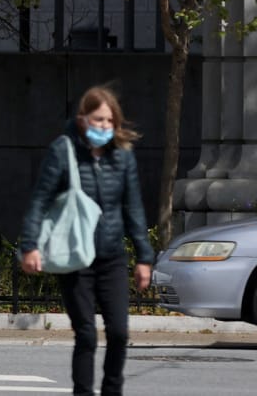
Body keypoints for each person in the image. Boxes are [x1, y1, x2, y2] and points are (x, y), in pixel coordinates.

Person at [18, 85, 154, 396]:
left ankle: (112, 391)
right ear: (82, 120)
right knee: (87, 334)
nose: (104, 126)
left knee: (119, 333)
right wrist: (30, 246)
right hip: (76, 257)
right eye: (98, 119)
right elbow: (40, 200)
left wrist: (144, 257)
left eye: (109, 120)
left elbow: (133, 208)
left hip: (112, 257)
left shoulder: (122, 156)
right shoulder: (63, 150)